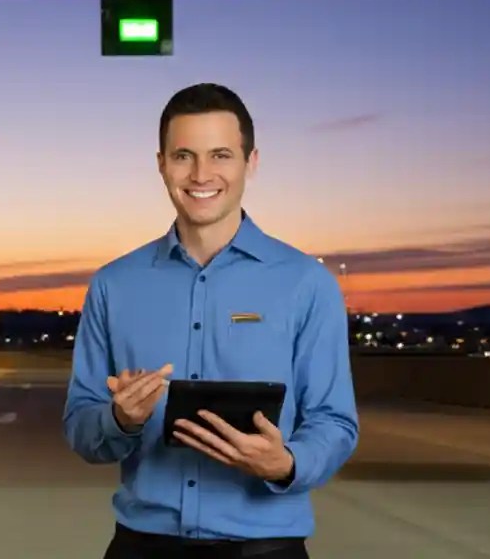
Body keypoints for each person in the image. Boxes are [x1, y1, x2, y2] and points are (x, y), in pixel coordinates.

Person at [63, 83, 359, 558]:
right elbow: (81, 424)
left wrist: (286, 462)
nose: (201, 174)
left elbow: (334, 421)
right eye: (184, 156)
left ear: (251, 162)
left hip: (266, 548)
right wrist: (120, 420)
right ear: (161, 163)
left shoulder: (306, 283)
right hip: (142, 546)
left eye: (221, 155)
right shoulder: (113, 285)